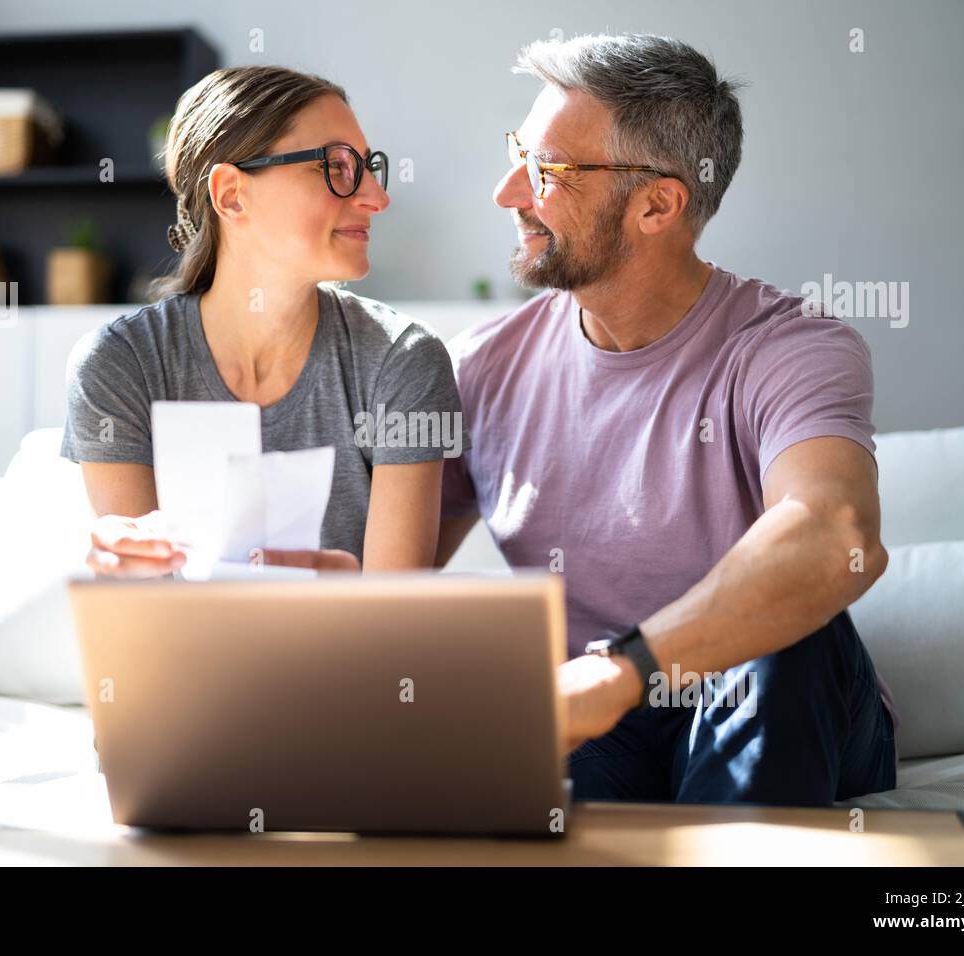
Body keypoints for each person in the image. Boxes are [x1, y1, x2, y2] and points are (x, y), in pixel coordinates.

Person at [436, 34, 900, 805]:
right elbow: (377, 577)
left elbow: (838, 536)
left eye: (547, 168)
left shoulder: (790, 347)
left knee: (788, 642)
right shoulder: (481, 367)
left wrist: (621, 672)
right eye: (519, 151)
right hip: (601, 728)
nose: (508, 190)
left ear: (658, 203)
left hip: (775, 698)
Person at [60, 66, 466, 575]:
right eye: (337, 167)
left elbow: (393, 616)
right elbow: (148, 604)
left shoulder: (401, 361)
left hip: (351, 656)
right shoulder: (121, 363)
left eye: (367, 167)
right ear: (232, 195)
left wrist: (344, 591)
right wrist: (114, 559)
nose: (377, 198)